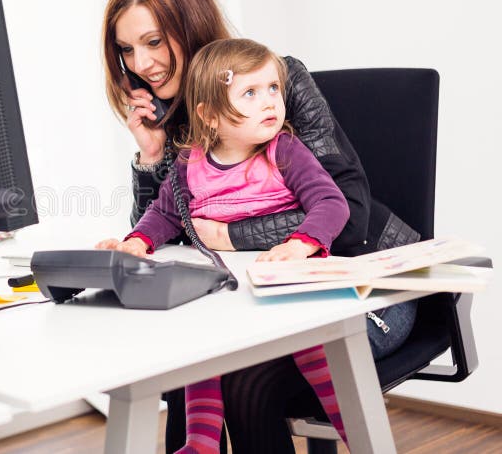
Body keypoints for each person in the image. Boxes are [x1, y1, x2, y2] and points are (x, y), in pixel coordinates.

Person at [101, 0, 419, 453]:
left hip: (366, 282)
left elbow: (347, 212)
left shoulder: (279, 90)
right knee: (187, 364)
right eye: (127, 49)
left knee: (238, 377)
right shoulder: (187, 132)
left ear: (189, 26)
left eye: (154, 41)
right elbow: (173, 227)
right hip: (266, 296)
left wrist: (232, 237)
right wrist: (152, 153)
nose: (141, 65)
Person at [99, 37, 355, 453]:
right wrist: (137, 242)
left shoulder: (283, 151)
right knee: (200, 342)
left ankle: (356, 432)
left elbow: (331, 202)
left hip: (284, 281)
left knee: (314, 354)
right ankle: (200, 442)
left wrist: (300, 243)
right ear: (210, 115)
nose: (270, 102)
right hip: (234, 288)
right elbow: (164, 213)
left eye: (273, 89)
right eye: (251, 93)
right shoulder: (191, 163)